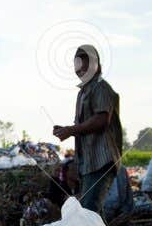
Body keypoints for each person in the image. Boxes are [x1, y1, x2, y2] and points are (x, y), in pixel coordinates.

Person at [52, 43, 123, 216]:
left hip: (101, 160)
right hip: (89, 163)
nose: (79, 70)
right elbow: (85, 124)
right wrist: (67, 130)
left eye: (84, 65)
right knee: (92, 214)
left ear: (95, 65)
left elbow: (101, 120)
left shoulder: (100, 87)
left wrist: (71, 130)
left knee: (89, 214)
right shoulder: (84, 92)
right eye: (77, 65)